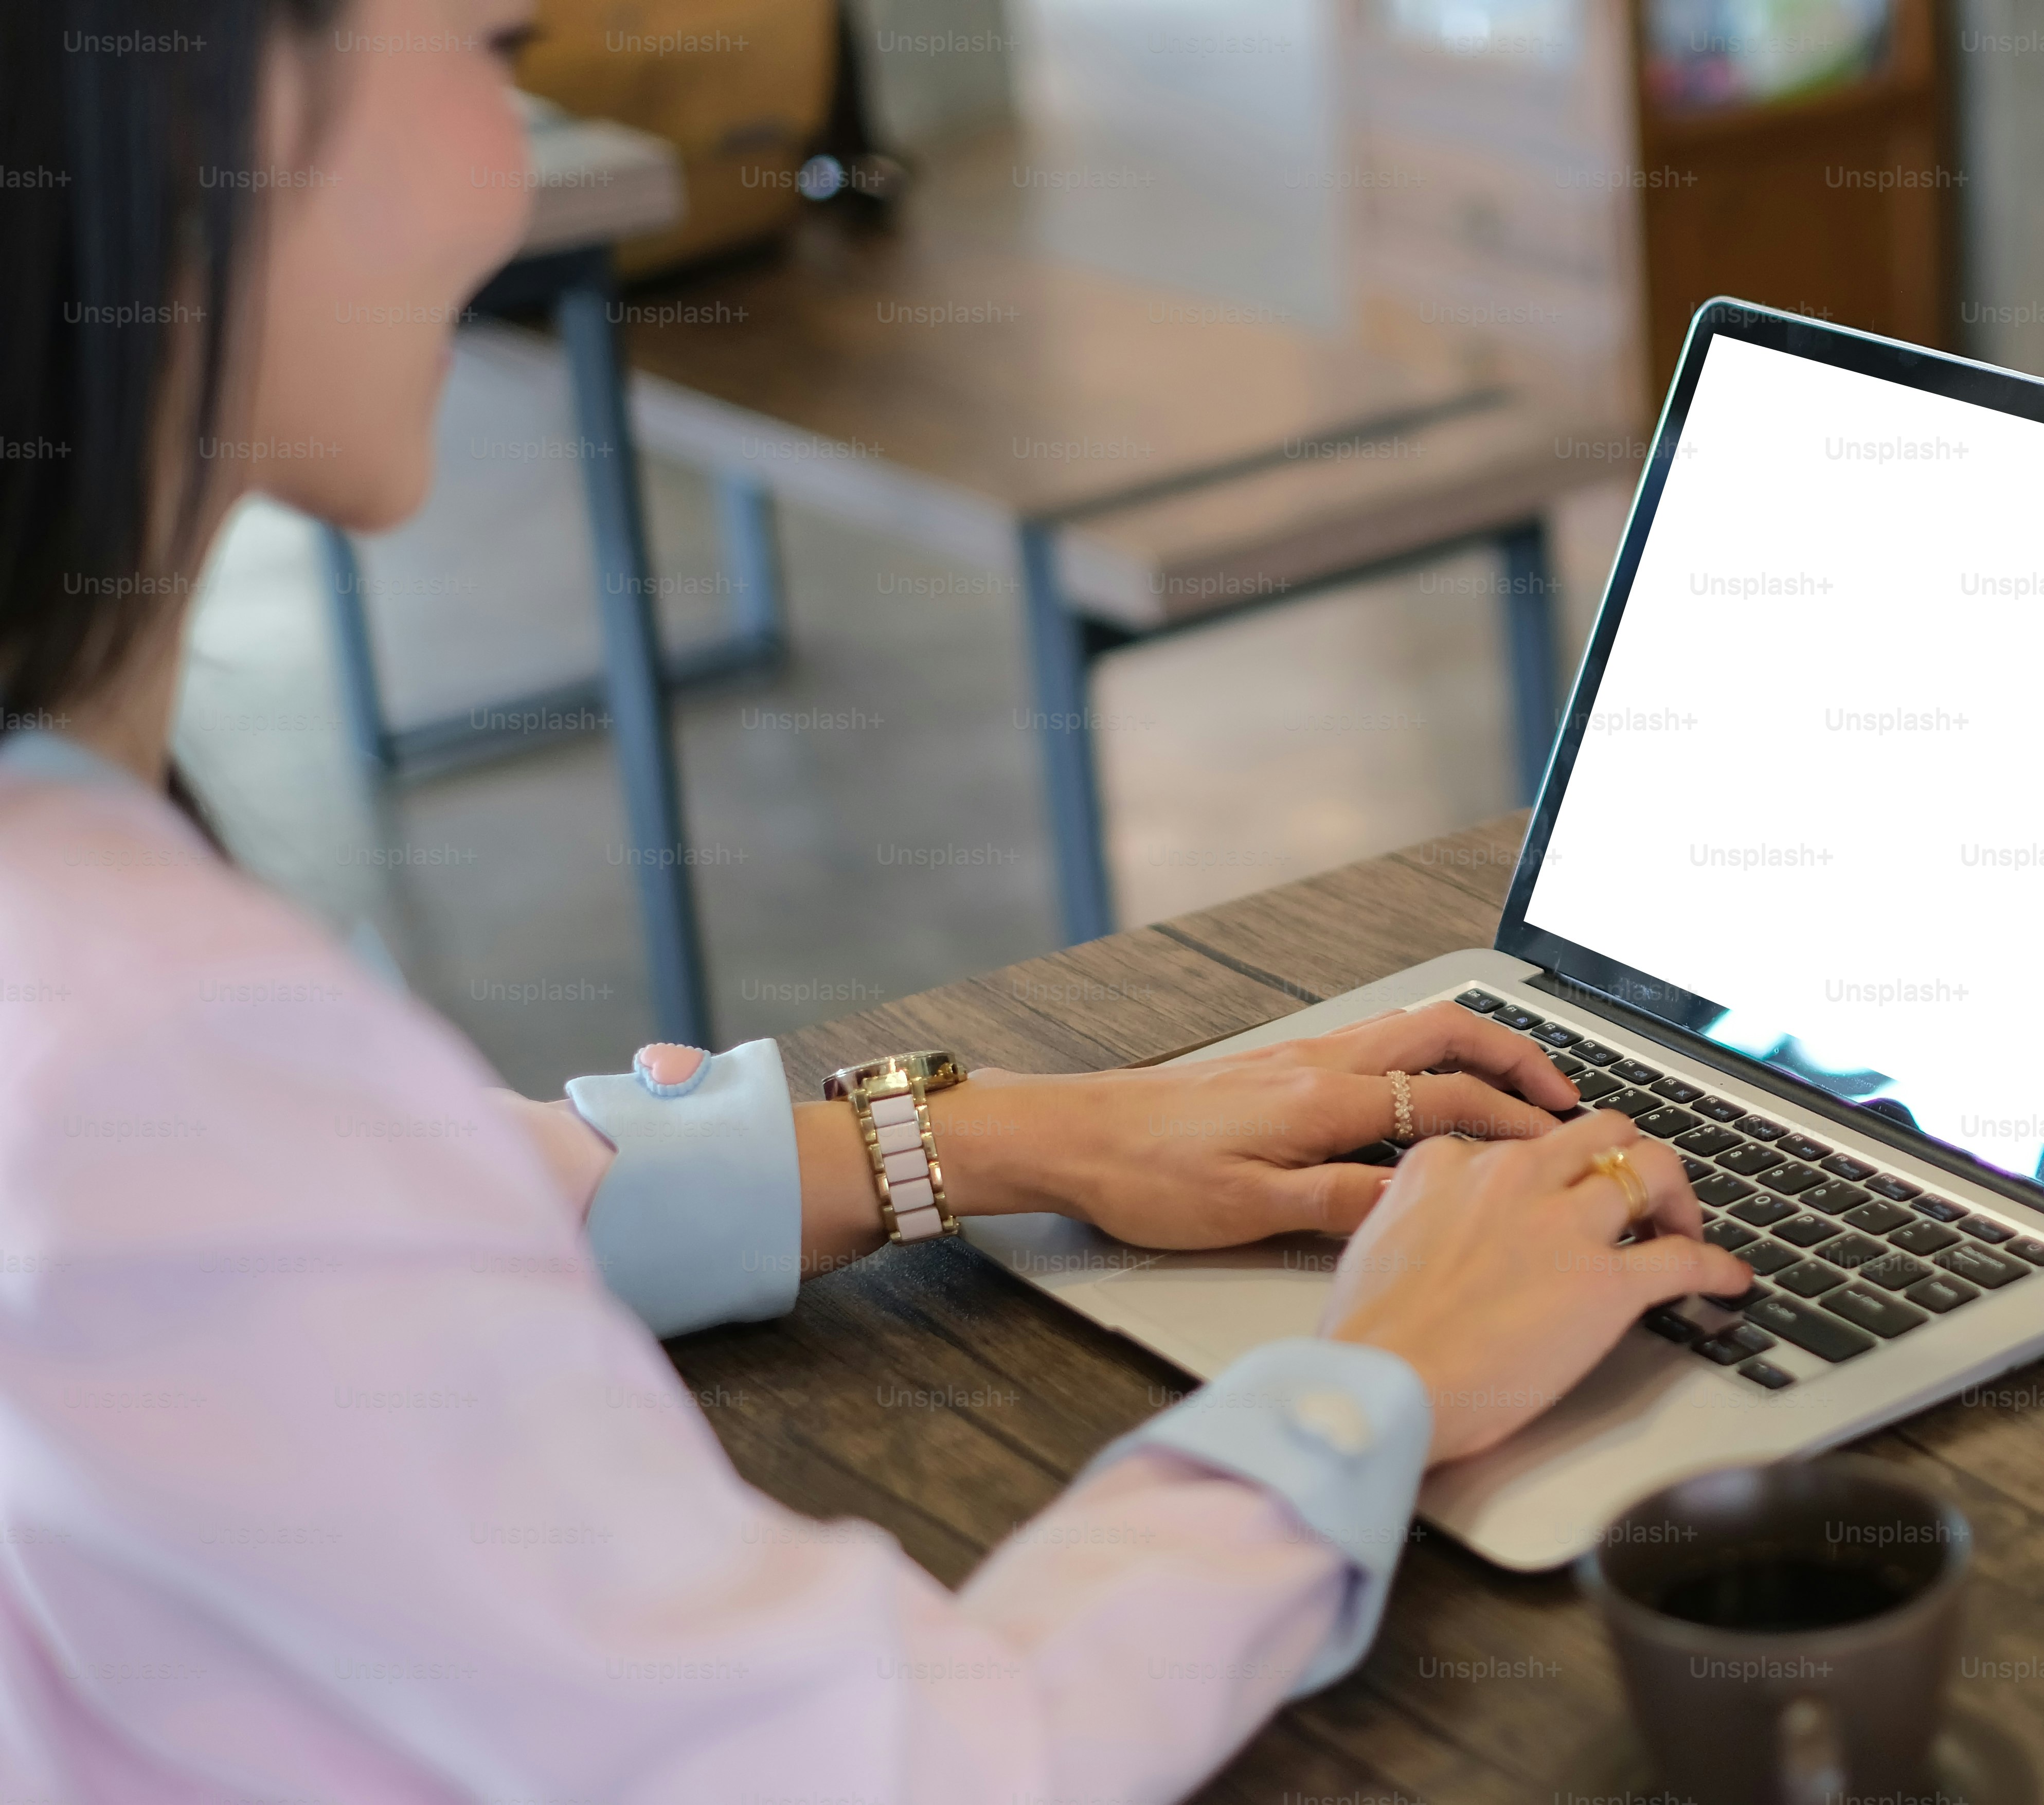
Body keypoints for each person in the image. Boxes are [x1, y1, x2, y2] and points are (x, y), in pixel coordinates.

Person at [0, 1, 1752, 1798]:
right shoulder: (150, 1053)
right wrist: (1386, 1377)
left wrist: (999, 1137)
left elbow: (337, 1235)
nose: (527, 173)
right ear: (174, 118)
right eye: (494, 53)